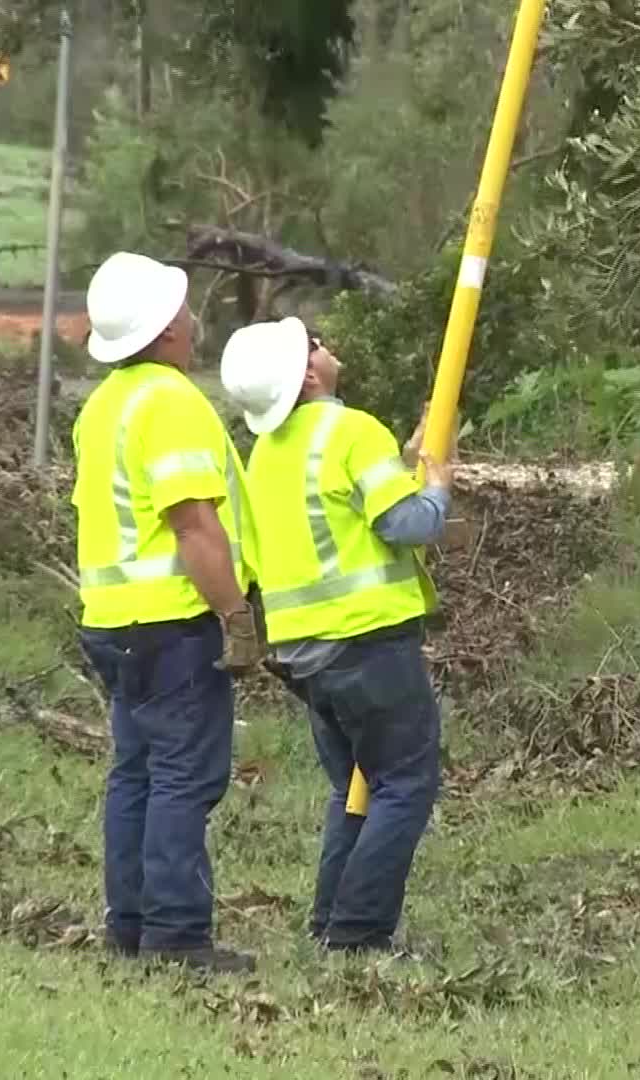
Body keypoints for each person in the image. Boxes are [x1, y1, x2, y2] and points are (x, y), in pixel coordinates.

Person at [219, 316, 452, 954]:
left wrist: (403, 461)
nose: (326, 345)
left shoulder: (266, 452)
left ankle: (329, 921)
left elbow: (342, 510)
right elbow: (410, 524)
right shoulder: (352, 430)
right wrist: (437, 479)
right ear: (309, 372)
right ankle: (358, 933)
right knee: (405, 783)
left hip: (304, 656)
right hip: (366, 641)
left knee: (355, 785)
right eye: (317, 342)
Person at [70, 251, 264, 974]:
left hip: (111, 618)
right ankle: (178, 936)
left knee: (137, 773)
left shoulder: (103, 406)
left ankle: (129, 925)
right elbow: (192, 525)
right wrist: (235, 613)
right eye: (181, 310)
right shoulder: (173, 403)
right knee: (184, 776)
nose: (192, 317)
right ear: (163, 332)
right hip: (171, 620)